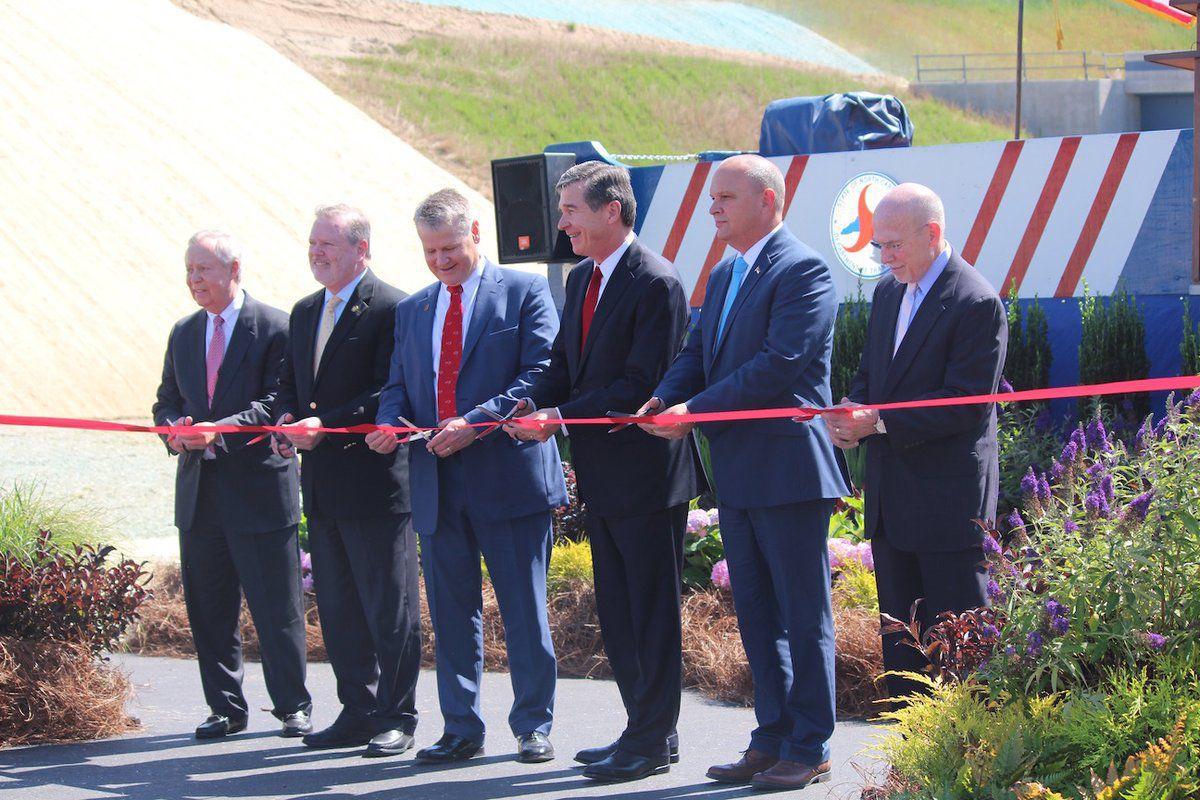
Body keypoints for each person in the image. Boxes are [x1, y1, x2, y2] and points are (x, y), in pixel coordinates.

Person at [639, 154, 849, 791]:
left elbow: (779, 364)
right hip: (738, 472)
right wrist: (663, 397)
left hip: (789, 471)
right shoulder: (726, 271)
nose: (714, 208)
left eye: (726, 197)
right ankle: (772, 737)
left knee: (802, 616)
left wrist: (694, 411)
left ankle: (809, 745)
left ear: (767, 200)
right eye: (712, 198)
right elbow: (697, 352)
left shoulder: (804, 269)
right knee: (757, 615)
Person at [505, 161, 702, 782]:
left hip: (646, 476)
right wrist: (530, 402)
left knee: (649, 612)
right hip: (604, 474)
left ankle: (651, 739)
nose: (562, 225)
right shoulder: (582, 279)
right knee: (619, 612)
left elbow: (641, 385)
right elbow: (565, 366)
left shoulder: (656, 281)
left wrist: (560, 417)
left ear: (611, 210)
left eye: (571, 211)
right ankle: (645, 729)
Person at [366, 188, 566, 765]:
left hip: (509, 479)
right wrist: (389, 423)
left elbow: (542, 373)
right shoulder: (413, 310)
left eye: (450, 248)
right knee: (453, 617)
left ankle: (533, 726)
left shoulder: (525, 291)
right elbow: (398, 385)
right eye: (430, 251)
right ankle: (460, 727)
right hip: (436, 481)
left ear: (475, 233)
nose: (440, 261)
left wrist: (474, 424)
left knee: (524, 612)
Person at [823, 182, 1007, 701]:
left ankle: (967, 751)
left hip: (948, 511)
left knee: (960, 658)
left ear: (932, 233)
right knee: (903, 659)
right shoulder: (888, 293)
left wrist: (877, 422)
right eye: (878, 246)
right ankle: (908, 752)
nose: (885, 258)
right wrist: (851, 412)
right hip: (892, 506)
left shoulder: (975, 301)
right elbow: (871, 377)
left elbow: (965, 404)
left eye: (895, 245)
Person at [272, 205, 420, 758]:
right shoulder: (305, 310)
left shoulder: (393, 307)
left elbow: (392, 388)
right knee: (338, 608)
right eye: (313, 243)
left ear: (362, 249)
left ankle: (397, 716)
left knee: (389, 608)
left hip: (375, 483)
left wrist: (326, 425)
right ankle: (357, 709)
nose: (317, 253)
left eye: (328, 244)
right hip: (323, 484)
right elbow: (290, 384)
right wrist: (288, 419)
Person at [152, 230, 311, 740]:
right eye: (189, 270)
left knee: (276, 608)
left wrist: (218, 430)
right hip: (199, 495)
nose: (194, 279)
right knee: (210, 609)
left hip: (259, 491)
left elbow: (277, 401)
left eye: (204, 269)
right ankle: (225, 707)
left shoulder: (275, 327)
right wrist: (174, 431)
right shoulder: (183, 332)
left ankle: (292, 706)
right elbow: (165, 401)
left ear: (234, 269)